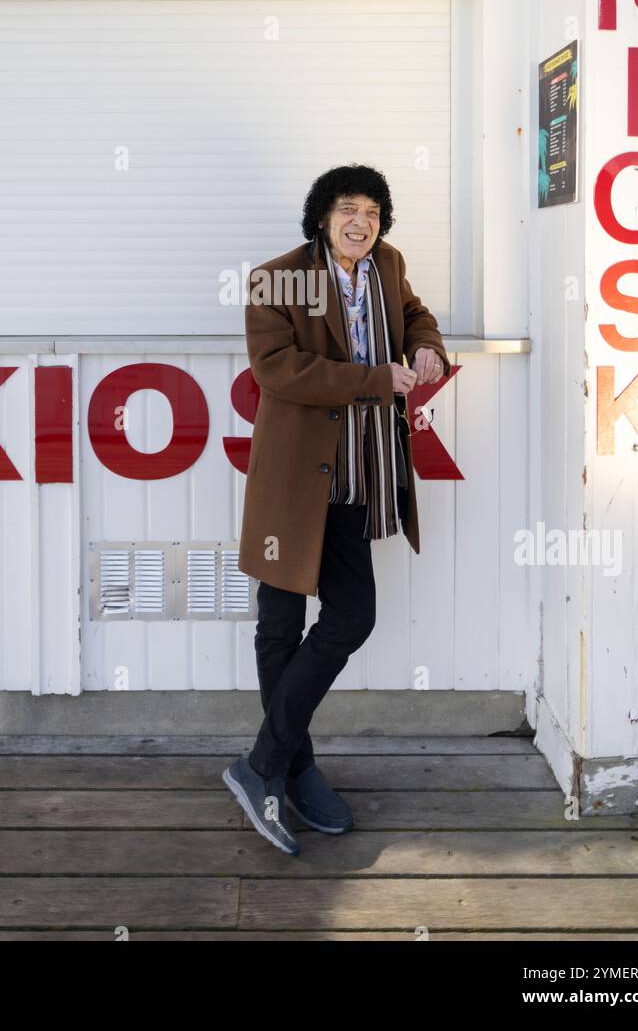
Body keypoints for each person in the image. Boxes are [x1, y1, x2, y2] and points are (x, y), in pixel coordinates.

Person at [223, 163, 451, 855]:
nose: (362, 222)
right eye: (348, 209)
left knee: (352, 615)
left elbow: (413, 313)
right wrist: (373, 378)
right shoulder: (277, 277)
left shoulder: (386, 265)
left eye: (374, 212)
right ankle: (296, 767)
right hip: (292, 481)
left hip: (360, 474)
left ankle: (264, 763)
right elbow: (278, 370)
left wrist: (425, 346)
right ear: (321, 216)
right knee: (279, 624)